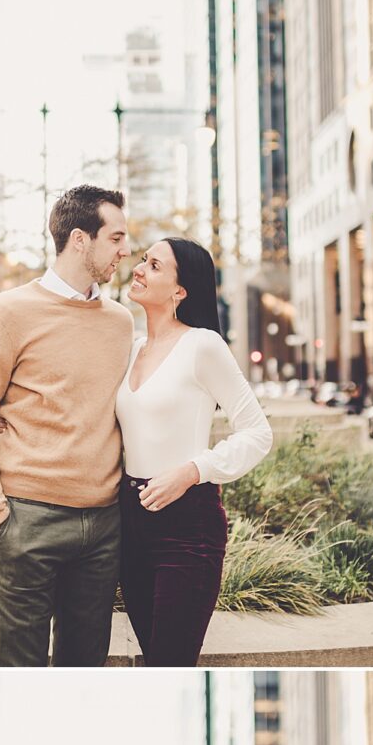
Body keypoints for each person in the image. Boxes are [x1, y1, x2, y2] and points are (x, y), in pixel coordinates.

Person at [0, 186, 134, 667]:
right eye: (115, 238)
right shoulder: (9, 312)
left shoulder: (120, 322)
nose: (125, 250)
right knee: (18, 670)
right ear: (80, 239)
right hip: (27, 522)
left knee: (84, 669)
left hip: (102, 528)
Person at [119, 240, 273, 666]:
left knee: (170, 664)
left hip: (186, 528)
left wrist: (192, 471)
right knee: (157, 661)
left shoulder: (203, 346)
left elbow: (258, 432)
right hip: (129, 525)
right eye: (142, 260)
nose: (139, 269)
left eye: (153, 265)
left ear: (180, 290)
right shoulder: (130, 347)